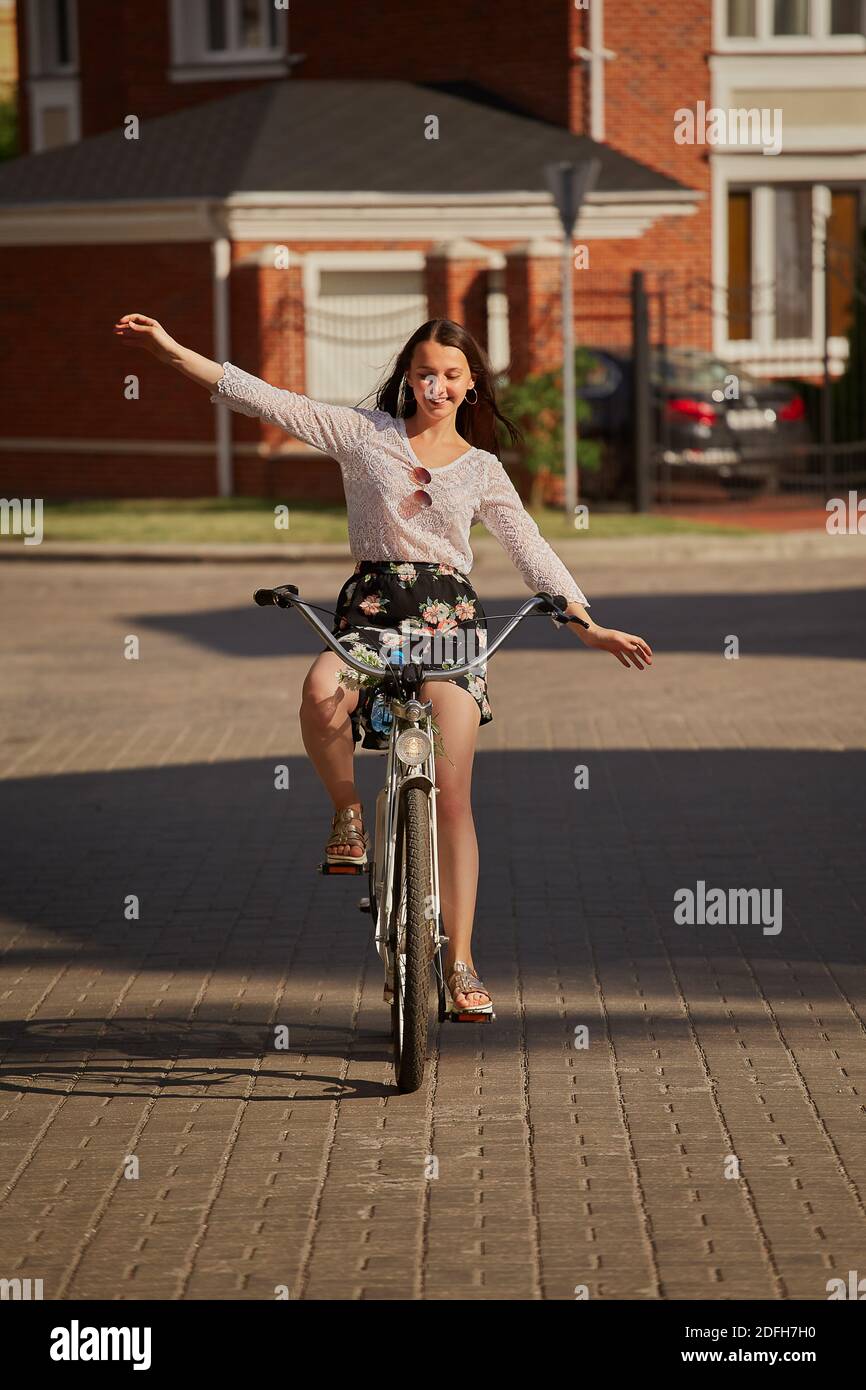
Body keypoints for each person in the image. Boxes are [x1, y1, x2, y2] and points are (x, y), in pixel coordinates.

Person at [114, 313, 653, 1017]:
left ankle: (458, 960)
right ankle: (347, 813)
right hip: (371, 613)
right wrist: (168, 347)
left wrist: (586, 624)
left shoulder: (483, 469)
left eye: (452, 375)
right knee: (319, 691)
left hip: (451, 622)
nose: (437, 386)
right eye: (425, 372)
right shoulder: (364, 434)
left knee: (454, 797)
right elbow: (260, 396)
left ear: (471, 385)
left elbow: (531, 549)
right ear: (408, 375)